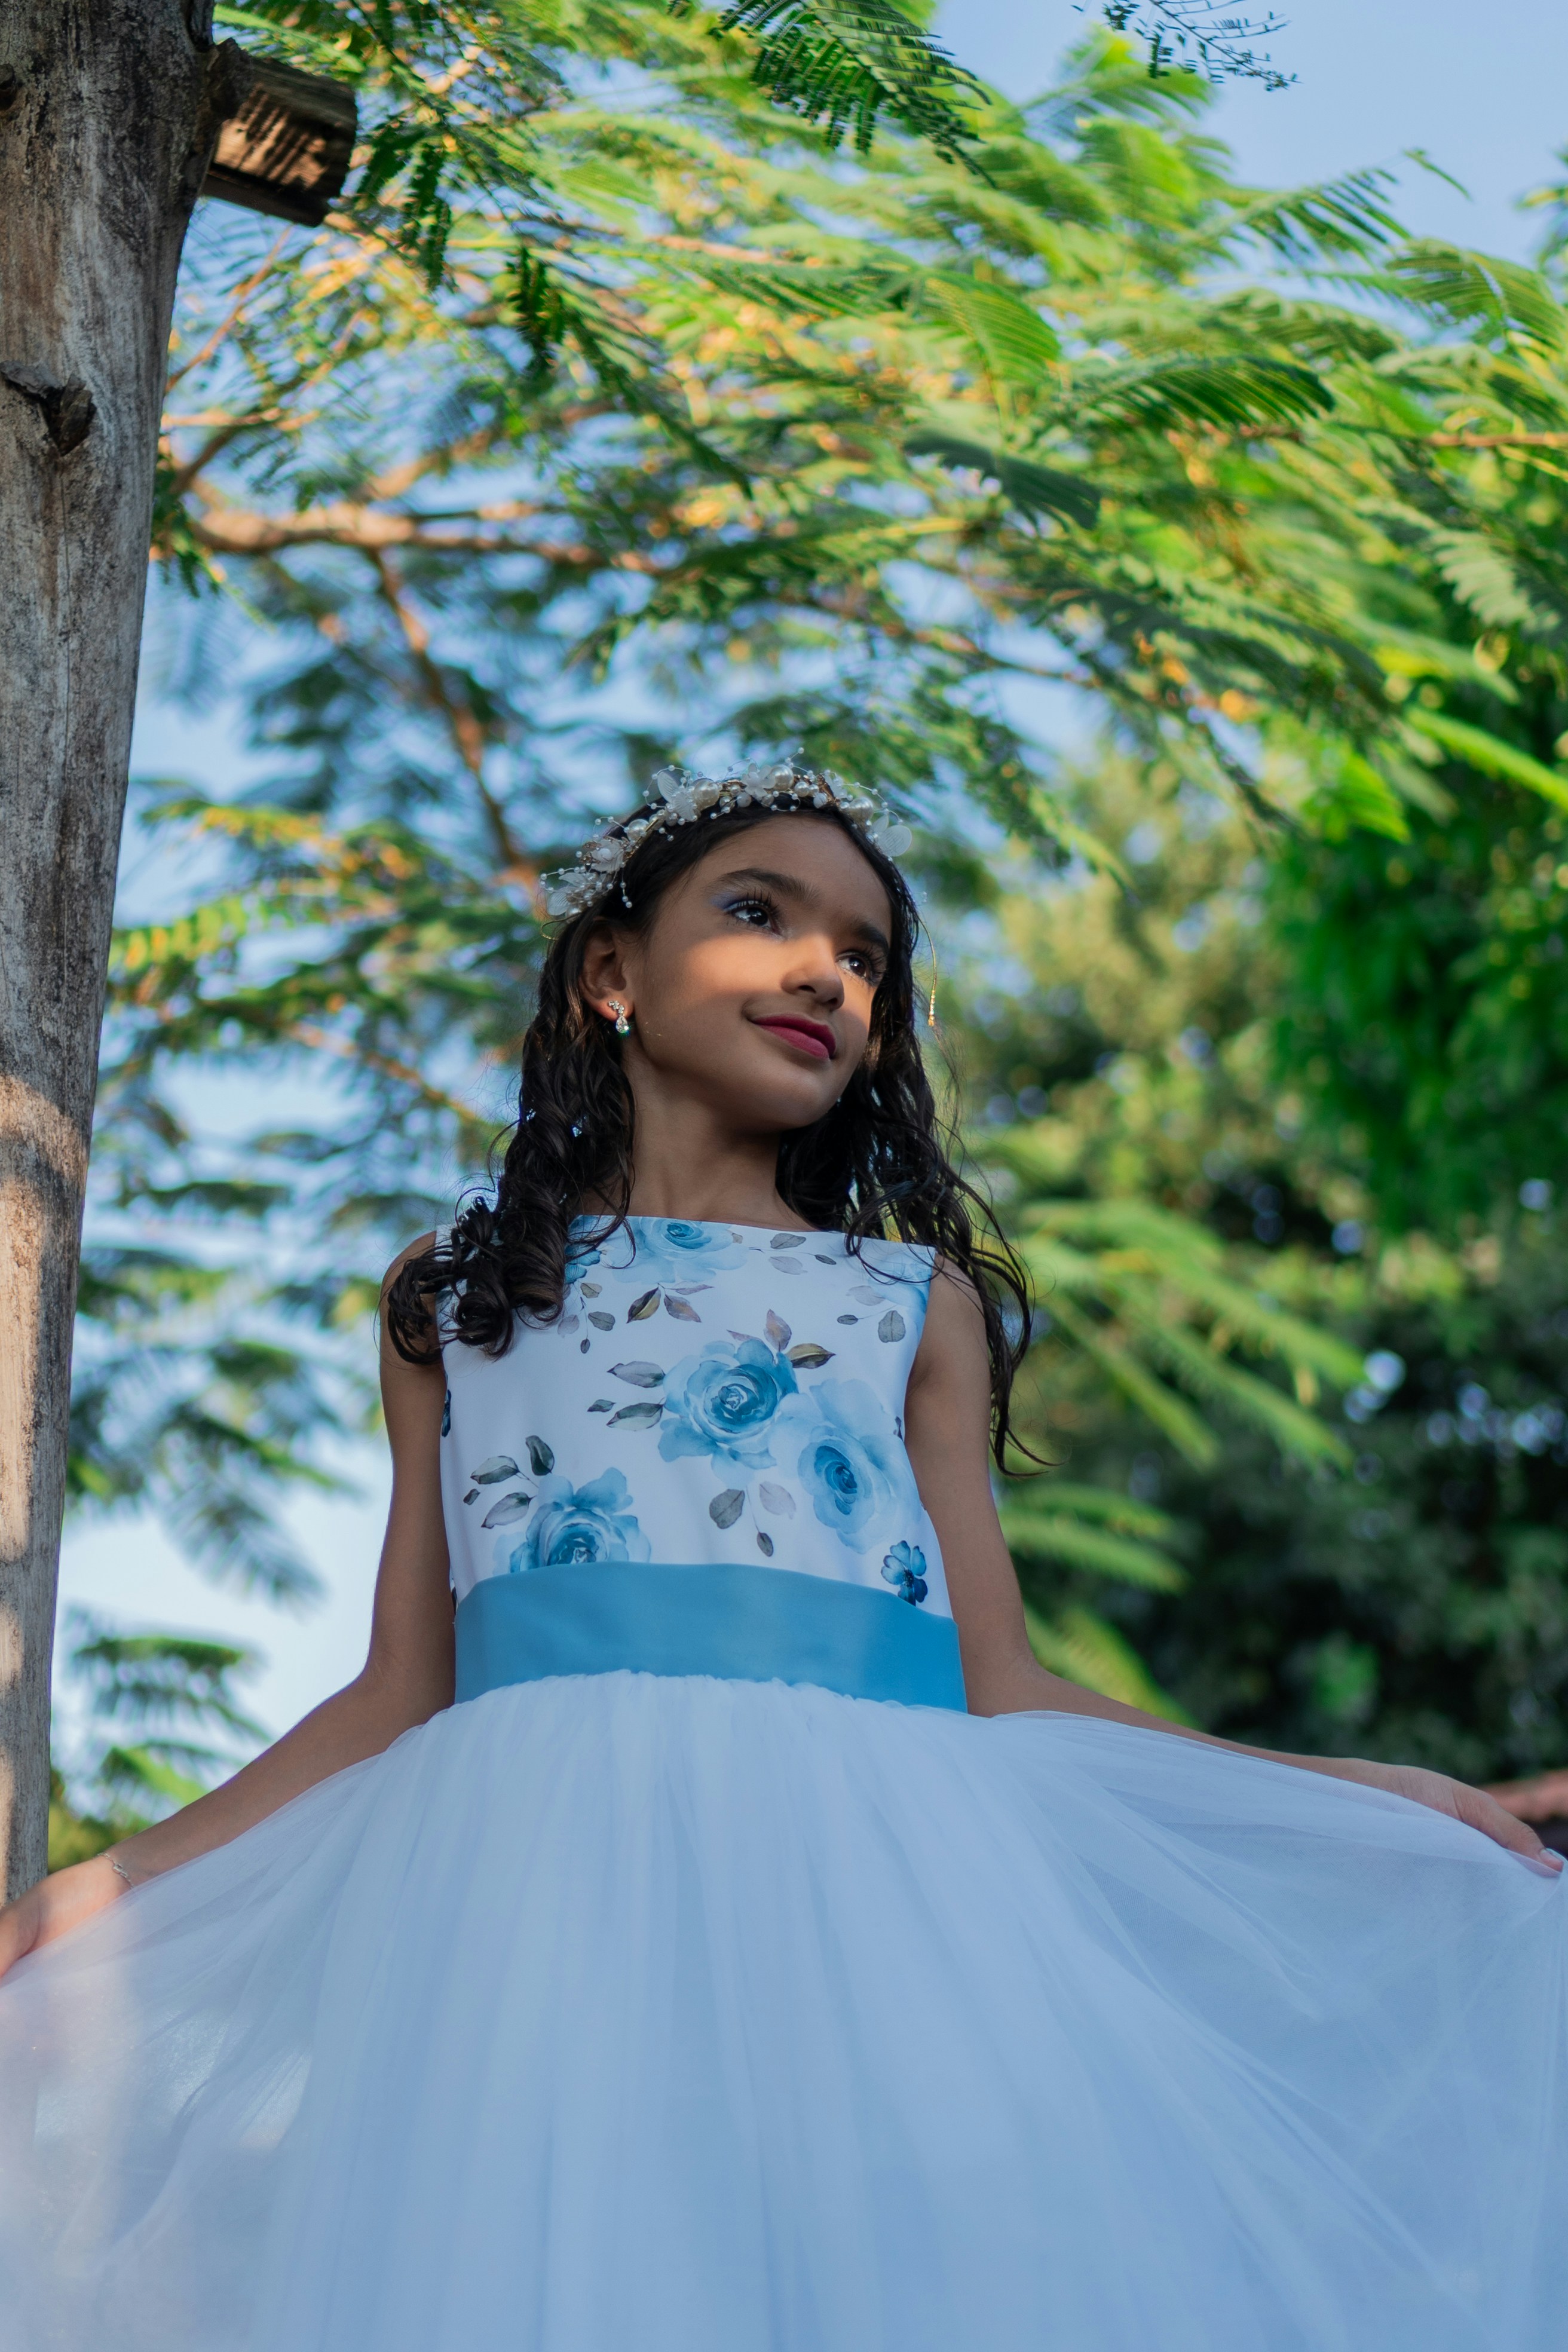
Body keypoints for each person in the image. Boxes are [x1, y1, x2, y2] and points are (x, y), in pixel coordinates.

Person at [0, 762, 1563, 2352]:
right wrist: (100, 1892)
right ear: (611, 973)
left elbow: (1003, 1682)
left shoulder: (907, 1305)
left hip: (883, 1905)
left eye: (868, 955)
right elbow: (401, 1685)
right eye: (760, 913)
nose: (828, 969)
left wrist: (1351, 1794)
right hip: (528, 1911)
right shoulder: (457, 1297)